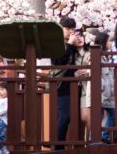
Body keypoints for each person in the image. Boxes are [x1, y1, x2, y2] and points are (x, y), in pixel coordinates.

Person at [51, 18, 84, 148]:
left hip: (74, 83)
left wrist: (80, 45)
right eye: (68, 28)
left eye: (72, 29)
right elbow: (59, 61)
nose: (71, 31)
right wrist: (70, 44)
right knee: (65, 116)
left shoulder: (72, 43)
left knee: (70, 116)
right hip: (62, 84)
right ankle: (59, 147)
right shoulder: (55, 43)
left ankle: (64, 145)